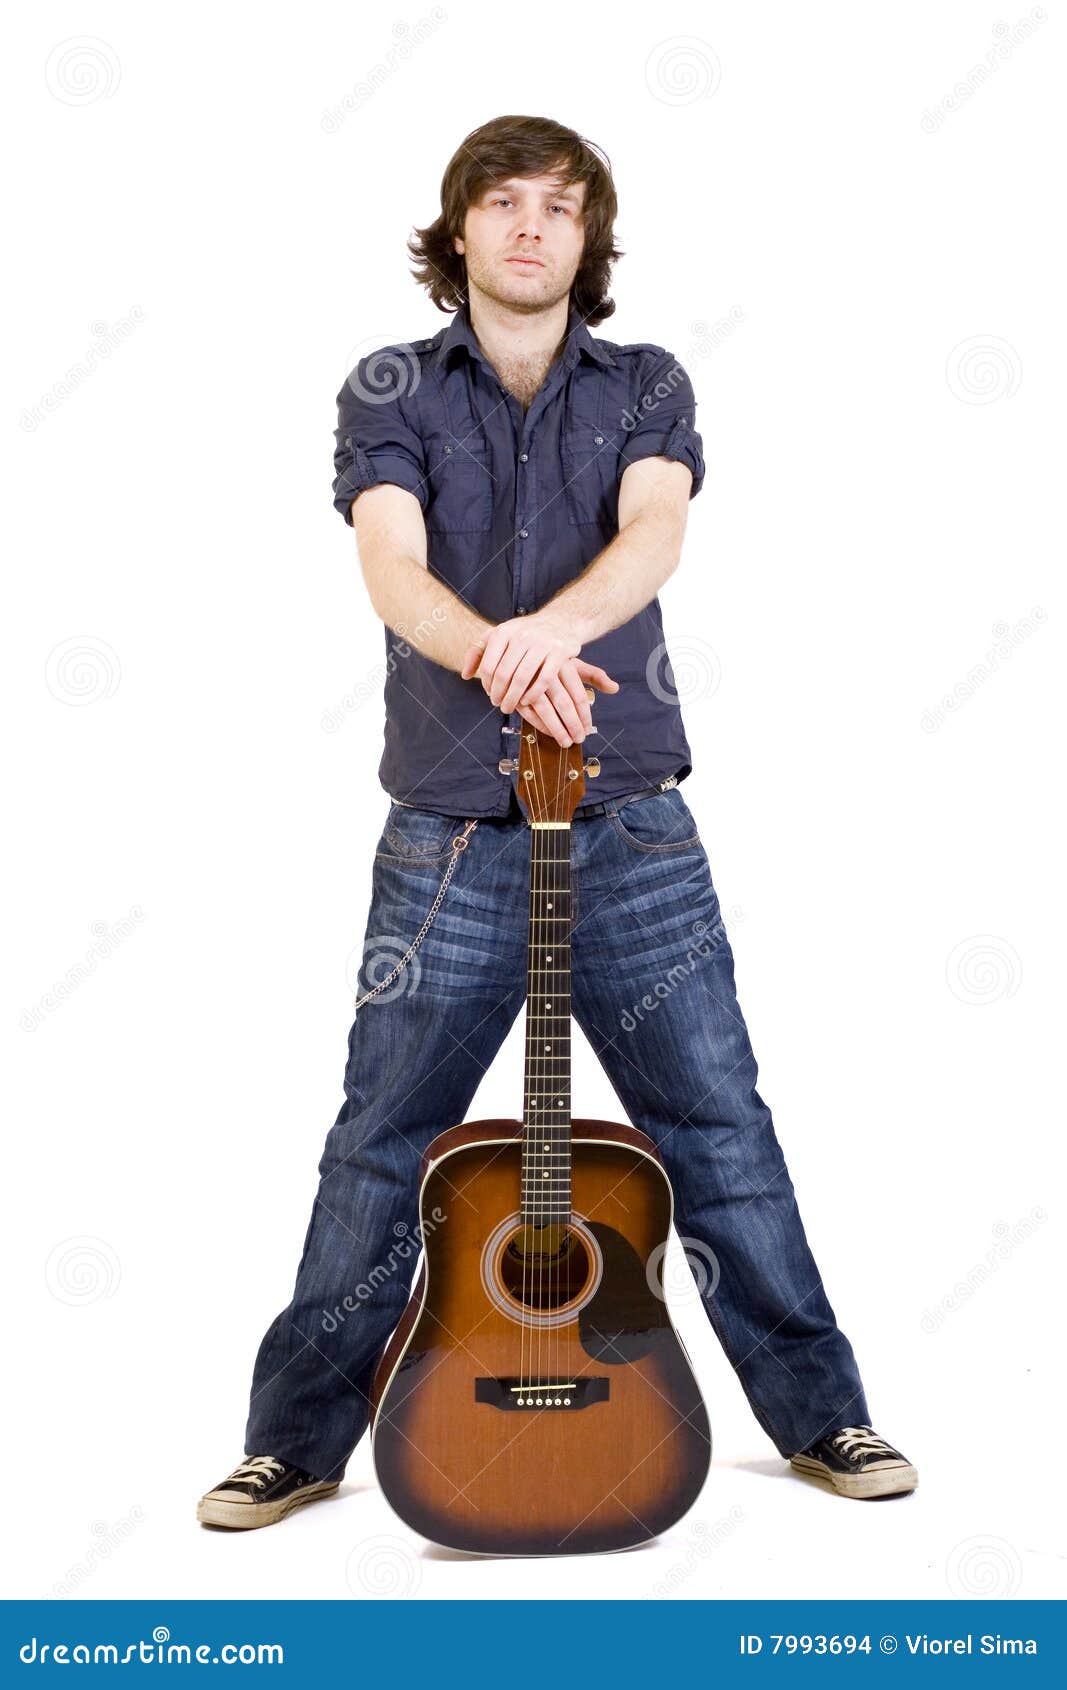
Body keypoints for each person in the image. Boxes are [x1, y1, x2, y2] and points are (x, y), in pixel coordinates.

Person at [197, 115, 916, 1532]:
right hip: (454, 831)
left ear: (590, 243)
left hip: (628, 817)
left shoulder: (648, 382)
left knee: (718, 1126)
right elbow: (390, 565)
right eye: (504, 200)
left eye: (564, 208)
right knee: (381, 1137)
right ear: (457, 225)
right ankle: (297, 1442)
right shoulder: (389, 385)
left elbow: (655, 532)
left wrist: (543, 635)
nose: (532, 226)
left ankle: (824, 1414)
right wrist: (495, 658)